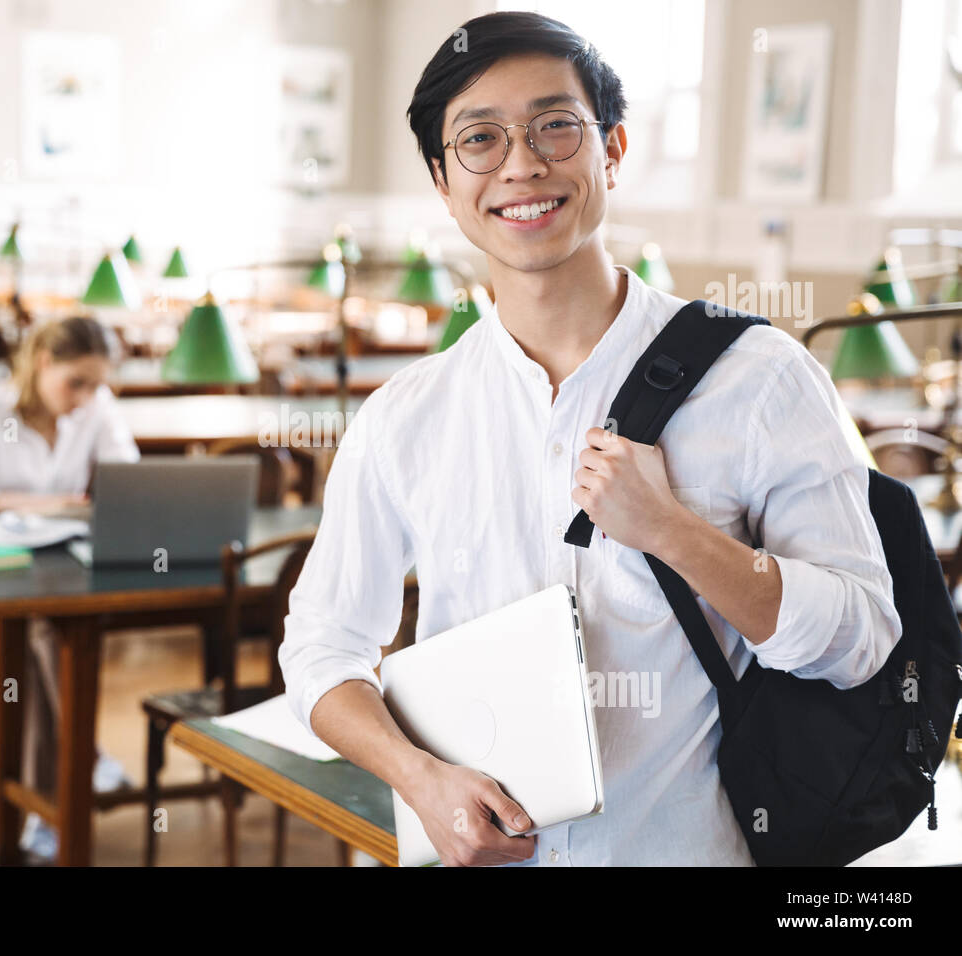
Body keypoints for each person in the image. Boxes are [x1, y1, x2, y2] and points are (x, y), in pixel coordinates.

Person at [278, 11, 902, 867]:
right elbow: (320, 645)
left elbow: (864, 638)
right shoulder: (404, 417)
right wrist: (418, 778)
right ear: (440, 178)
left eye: (554, 127)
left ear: (612, 148)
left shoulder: (762, 377)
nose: (523, 164)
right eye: (480, 139)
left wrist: (675, 536)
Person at [0, 315, 139, 860]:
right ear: (42, 364)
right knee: (40, 625)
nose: (85, 397)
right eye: (75, 383)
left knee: (45, 622)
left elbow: (129, 485)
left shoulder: (95, 410)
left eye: (97, 384)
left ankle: (48, 807)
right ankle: (73, 771)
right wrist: (12, 501)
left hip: (55, 579)